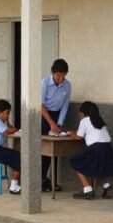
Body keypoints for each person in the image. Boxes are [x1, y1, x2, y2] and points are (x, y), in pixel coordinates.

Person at [67, 101, 113, 200]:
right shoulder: (99, 120)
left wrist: (69, 133)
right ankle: (106, 186)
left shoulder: (84, 120)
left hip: (96, 148)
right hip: (107, 148)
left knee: (76, 162)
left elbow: (78, 137)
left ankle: (87, 189)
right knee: (95, 169)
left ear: (82, 112)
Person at [40, 58, 71, 192]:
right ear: (53, 73)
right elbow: (40, 105)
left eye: (63, 76)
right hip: (44, 115)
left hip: (57, 116)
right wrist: (51, 123)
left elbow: (65, 105)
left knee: (56, 148)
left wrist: (59, 123)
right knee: (45, 149)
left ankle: (52, 181)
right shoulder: (44, 83)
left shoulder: (67, 85)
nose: (60, 79)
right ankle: (40, 179)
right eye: (58, 75)